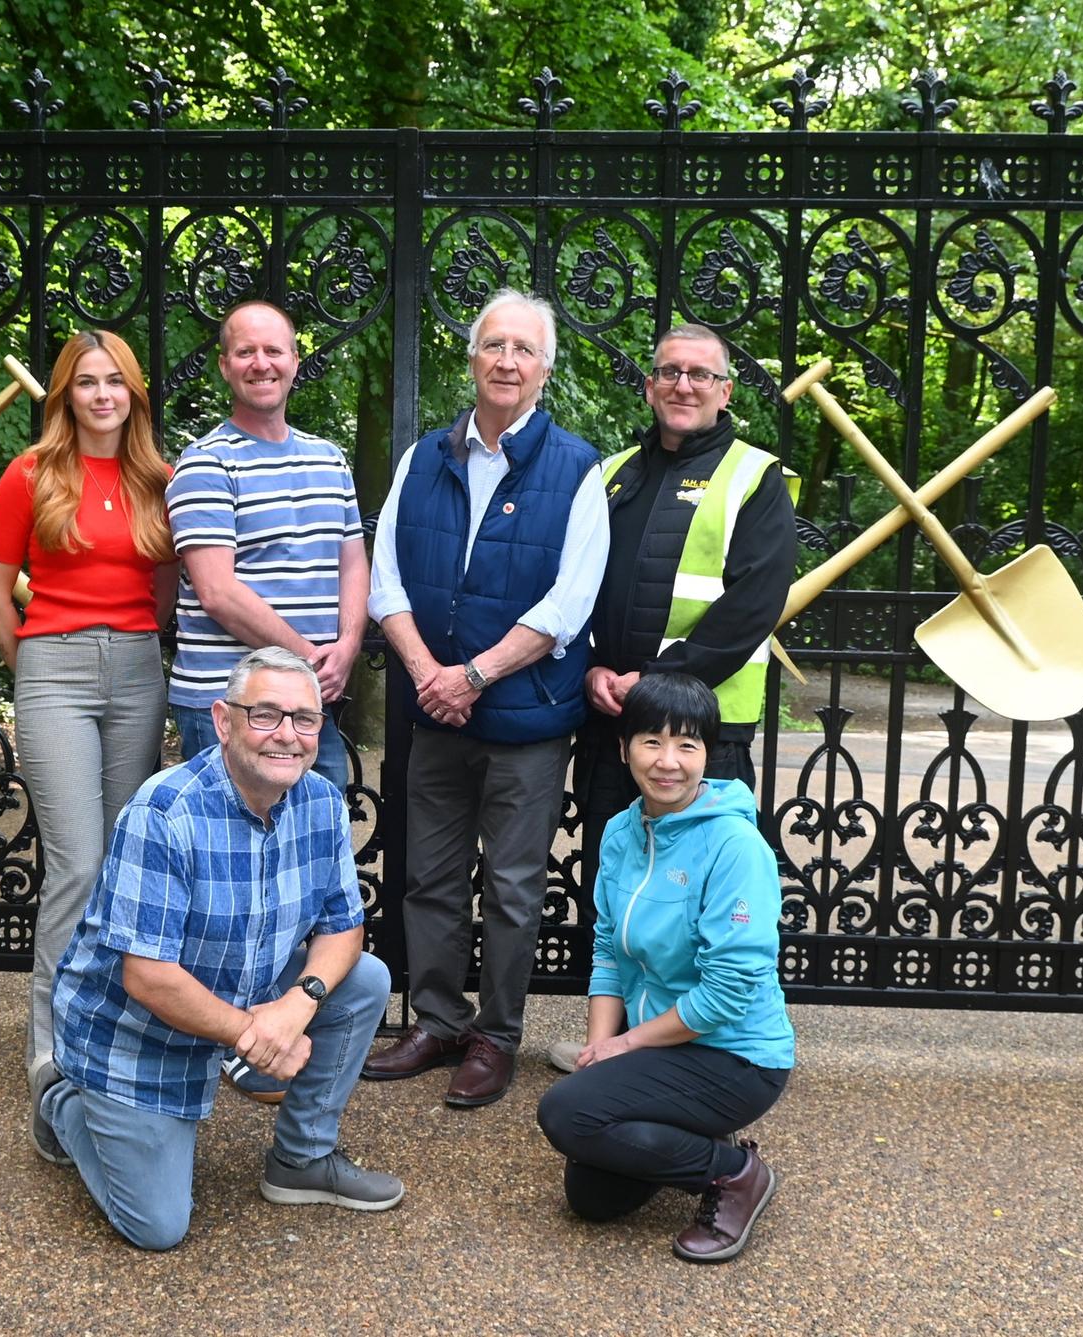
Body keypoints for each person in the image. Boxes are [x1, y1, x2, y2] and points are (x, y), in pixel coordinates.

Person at [39, 647, 402, 1251]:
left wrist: (297, 1007)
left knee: (363, 979)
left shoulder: (320, 801)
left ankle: (302, 1160)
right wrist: (254, 1038)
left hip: (241, 986)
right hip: (134, 1033)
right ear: (224, 721)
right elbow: (148, 978)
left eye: (304, 719)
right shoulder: (164, 812)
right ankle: (63, 1099)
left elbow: (344, 927)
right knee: (157, 1228)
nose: (287, 735)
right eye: (265, 715)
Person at [360, 288, 610, 1108]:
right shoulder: (422, 457)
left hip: (526, 719)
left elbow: (568, 605)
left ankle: (496, 1035)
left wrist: (471, 675)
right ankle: (434, 1019)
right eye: (493, 344)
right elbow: (386, 577)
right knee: (427, 876)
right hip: (435, 708)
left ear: (545, 369)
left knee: (510, 885)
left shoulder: (578, 467)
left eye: (524, 349)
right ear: (470, 357)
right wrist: (431, 672)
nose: (507, 361)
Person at [552, 324, 796, 1074]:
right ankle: (612, 1044)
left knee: (703, 894)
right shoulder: (614, 472)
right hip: (612, 720)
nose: (683, 385)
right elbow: (578, 584)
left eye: (700, 374)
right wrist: (592, 662)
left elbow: (754, 603)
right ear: (651, 384)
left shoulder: (756, 477)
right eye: (669, 372)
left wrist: (653, 687)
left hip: (703, 731)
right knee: (619, 882)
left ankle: (706, 1044)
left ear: (725, 391)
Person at [0, 329, 176, 1155]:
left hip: (137, 667)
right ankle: (51, 1066)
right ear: (64, 394)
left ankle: (116, 1041)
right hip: (52, 668)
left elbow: (166, 589)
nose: (102, 395)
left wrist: (132, 651)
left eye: (115, 382)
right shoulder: (30, 474)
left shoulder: (159, 480)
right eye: (86, 382)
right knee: (79, 864)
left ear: (133, 394)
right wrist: (35, 671)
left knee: (127, 865)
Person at [535, 672, 795, 1263]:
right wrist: (596, 1051)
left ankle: (734, 1173)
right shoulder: (623, 832)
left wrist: (623, 1051)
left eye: (687, 744)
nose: (668, 762)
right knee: (593, 1197)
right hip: (657, 1043)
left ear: (708, 752)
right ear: (624, 747)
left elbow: (726, 995)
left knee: (564, 1113)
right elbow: (607, 949)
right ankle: (694, 1135)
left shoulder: (735, 846)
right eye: (652, 741)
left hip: (734, 1055)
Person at [165, 299, 368, 794]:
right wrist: (307, 662)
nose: (261, 363)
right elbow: (217, 592)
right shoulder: (204, 464)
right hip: (229, 706)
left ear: (295, 361)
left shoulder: (329, 459)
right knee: (230, 860)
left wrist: (347, 647)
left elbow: (354, 564)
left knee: (313, 849)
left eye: (274, 350)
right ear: (224, 365)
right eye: (245, 351)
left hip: (307, 705)